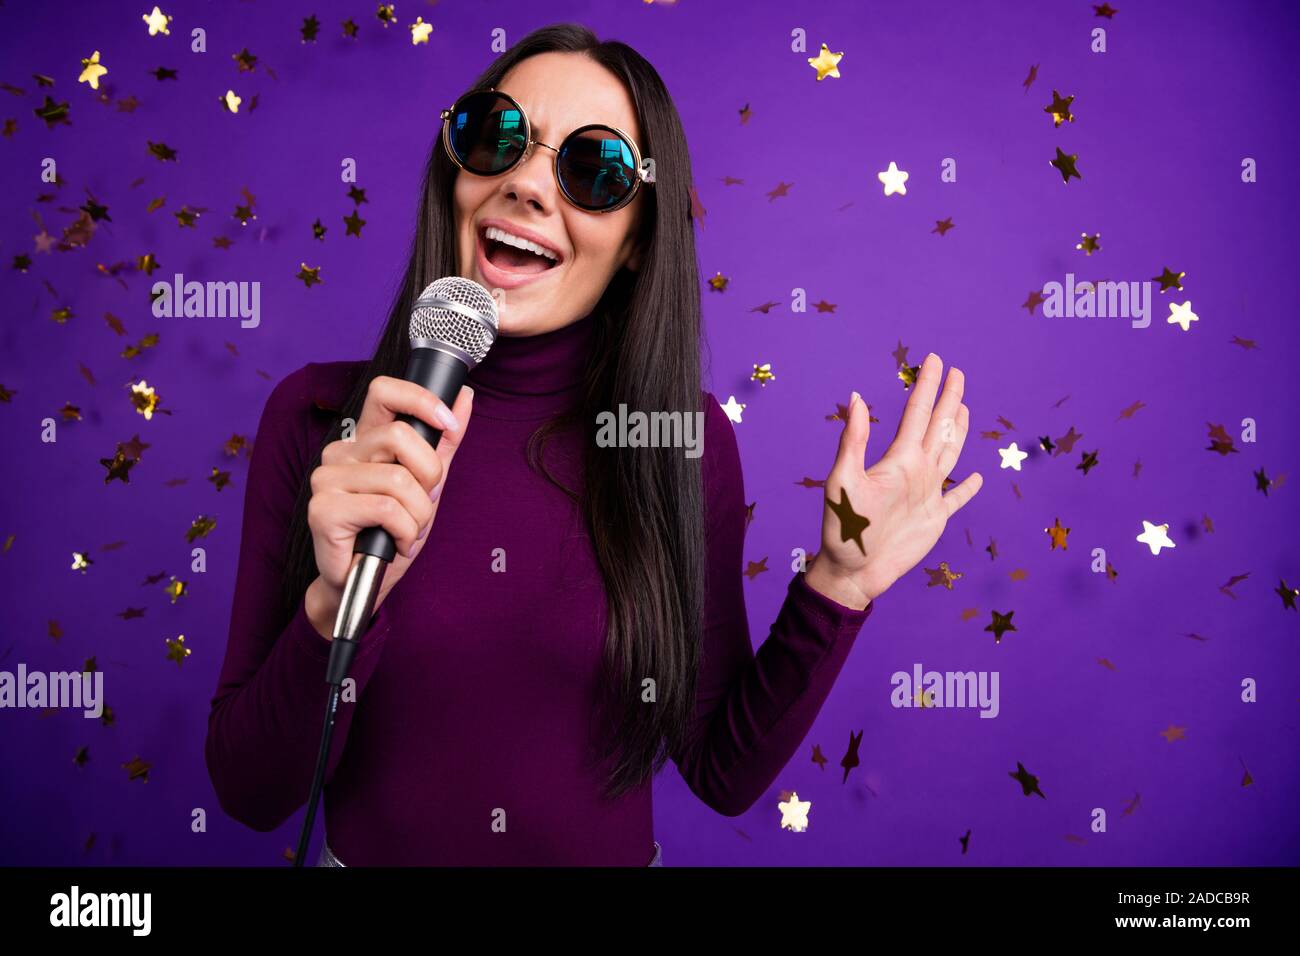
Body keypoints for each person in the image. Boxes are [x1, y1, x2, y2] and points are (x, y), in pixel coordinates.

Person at [204, 23, 982, 867]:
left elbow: (721, 769)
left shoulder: (681, 443)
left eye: (594, 169)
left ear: (641, 238)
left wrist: (842, 582)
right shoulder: (320, 417)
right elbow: (251, 794)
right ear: (456, 171)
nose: (528, 185)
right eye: (497, 136)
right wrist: (338, 602)